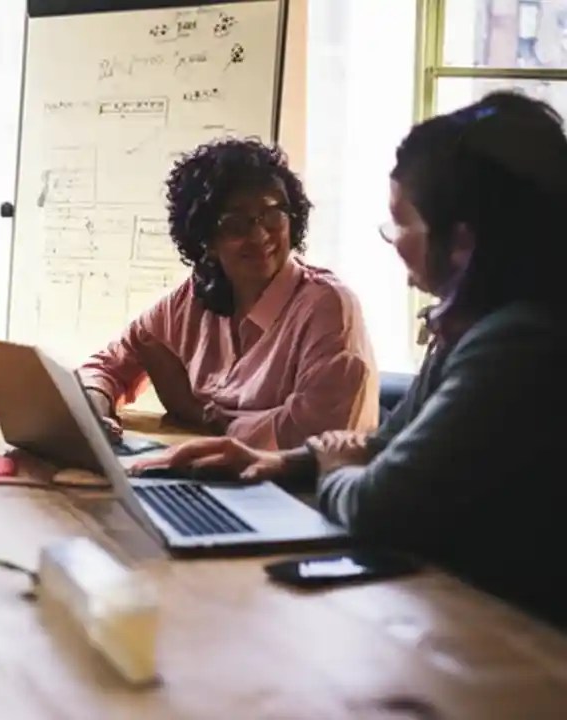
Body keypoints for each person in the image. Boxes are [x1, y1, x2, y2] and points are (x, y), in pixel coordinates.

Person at [157, 92, 567, 626]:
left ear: (462, 242)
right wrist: (283, 462)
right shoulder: (470, 325)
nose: (392, 242)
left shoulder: (519, 340)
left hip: (521, 647)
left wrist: (332, 467)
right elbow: (391, 445)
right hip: (462, 611)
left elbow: (377, 507)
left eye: (400, 224)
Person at [79, 138, 378, 450]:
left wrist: (208, 417)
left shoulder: (327, 306)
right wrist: (93, 411)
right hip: (218, 477)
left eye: (273, 214)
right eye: (235, 224)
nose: (260, 235)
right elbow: (105, 367)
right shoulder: (195, 297)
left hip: (300, 491)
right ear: (205, 238)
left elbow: (315, 437)